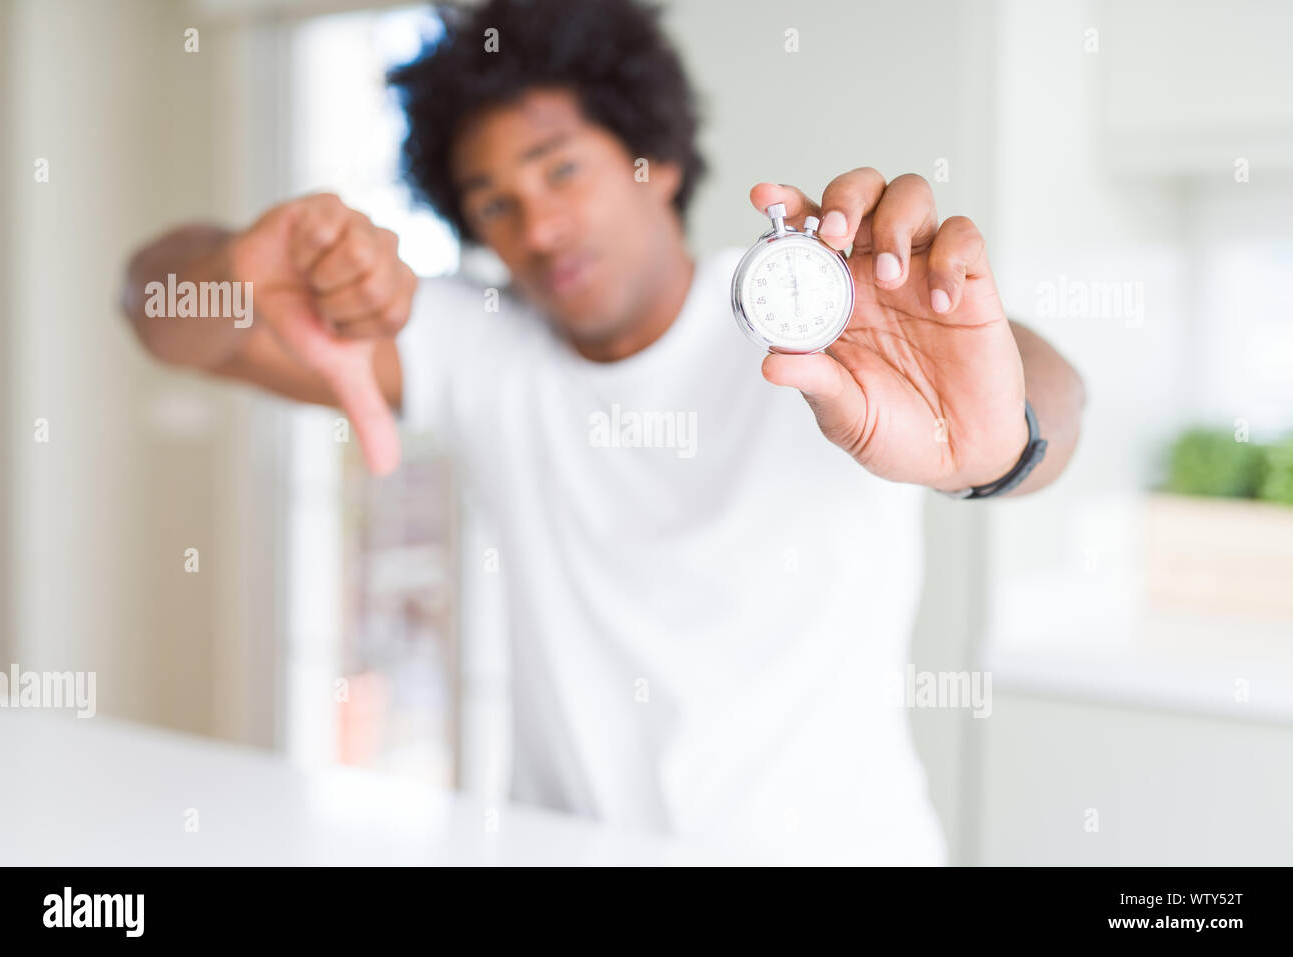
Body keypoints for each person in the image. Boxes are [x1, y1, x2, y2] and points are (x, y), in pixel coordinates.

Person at [121, 0, 1085, 864]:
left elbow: (1052, 393)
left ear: (655, 159)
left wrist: (1005, 441)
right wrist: (241, 266)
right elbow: (154, 307)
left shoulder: (826, 324)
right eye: (494, 202)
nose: (537, 227)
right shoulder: (479, 344)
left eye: (561, 169)